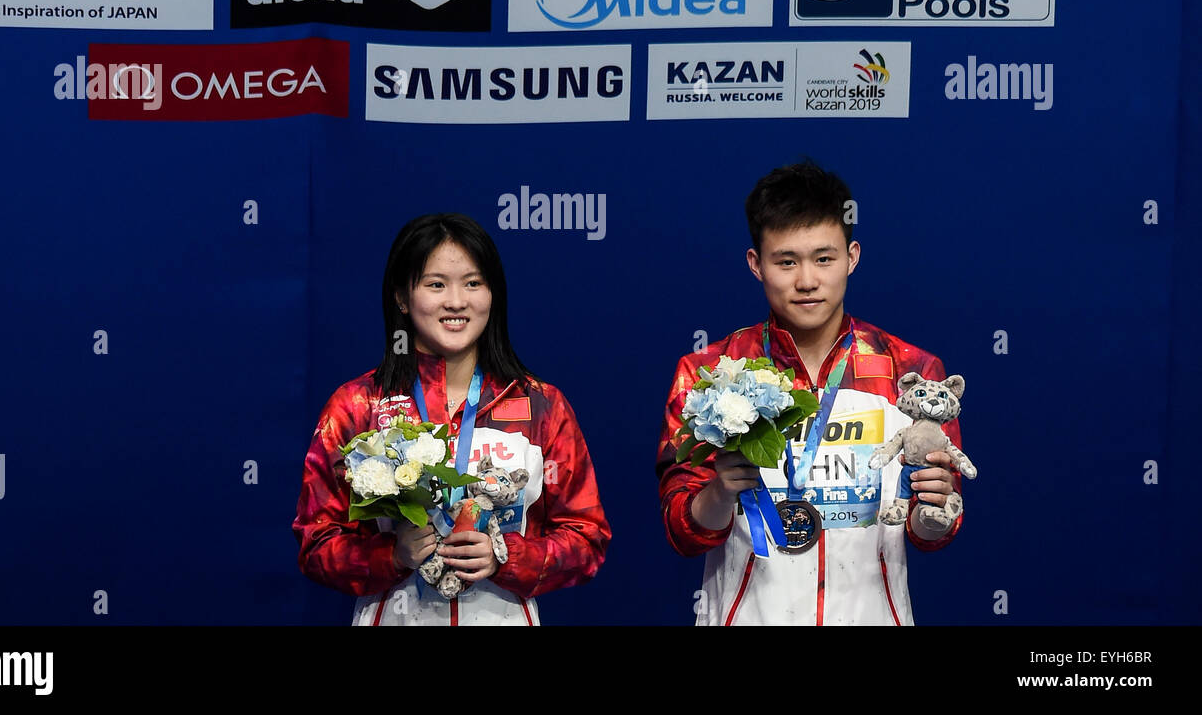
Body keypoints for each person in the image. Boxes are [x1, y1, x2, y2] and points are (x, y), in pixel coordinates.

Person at [656, 161, 964, 625]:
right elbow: (683, 532)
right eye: (786, 261)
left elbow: (931, 534)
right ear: (756, 264)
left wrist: (935, 508)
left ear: (852, 257)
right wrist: (719, 491)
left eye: (824, 258)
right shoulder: (708, 373)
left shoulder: (912, 373)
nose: (806, 281)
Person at [295, 213, 610, 625]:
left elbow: (588, 539)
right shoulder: (358, 405)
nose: (457, 301)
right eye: (435, 284)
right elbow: (315, 542)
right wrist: (390, 555)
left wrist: (507, 556)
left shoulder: (541, 405)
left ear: (493, 294)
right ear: (402, 297)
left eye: (473, 283)